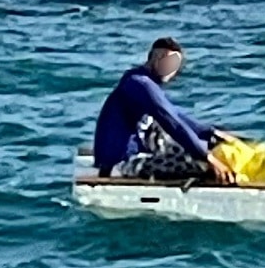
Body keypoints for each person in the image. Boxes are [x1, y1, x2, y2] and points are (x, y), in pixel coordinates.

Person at [92, 37, 236, 183]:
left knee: (213, 146)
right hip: (124, 164)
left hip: (138, 152)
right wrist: (208, 159)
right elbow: (173, 123)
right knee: (203, 166)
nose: (172, 70)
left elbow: (176, 115)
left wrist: (211, 133)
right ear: (157, 58)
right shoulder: (140, 84)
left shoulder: (143, 83)